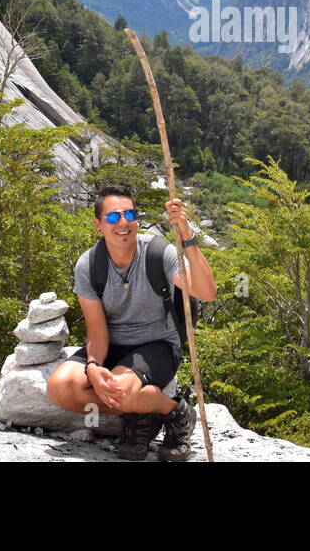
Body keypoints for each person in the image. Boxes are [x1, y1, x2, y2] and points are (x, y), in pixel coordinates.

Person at [46, 183, 217, 460]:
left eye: (130, 214)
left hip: (157, 345)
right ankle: (144, 413)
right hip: (111, 346)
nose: (123, 222)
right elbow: (97, 331)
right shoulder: (89, 265)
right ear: (98, 224)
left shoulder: (158, 253)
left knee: (119, 388)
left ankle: (174, 413)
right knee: (61, 388)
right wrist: (92, 368)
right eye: (113, 217)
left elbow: (206, 292)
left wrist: (187, 236)